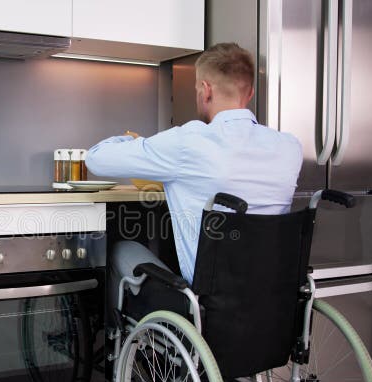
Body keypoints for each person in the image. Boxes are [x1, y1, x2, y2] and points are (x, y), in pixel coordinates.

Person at [86, 42, 303, 288]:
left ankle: (118, 328)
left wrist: (133, 140)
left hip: (209, 301)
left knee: (122, 249)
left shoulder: (189, 142)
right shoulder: (290, 147)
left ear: (205, 90)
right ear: (250, 93)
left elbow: (96, 159)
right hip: (273, 296)